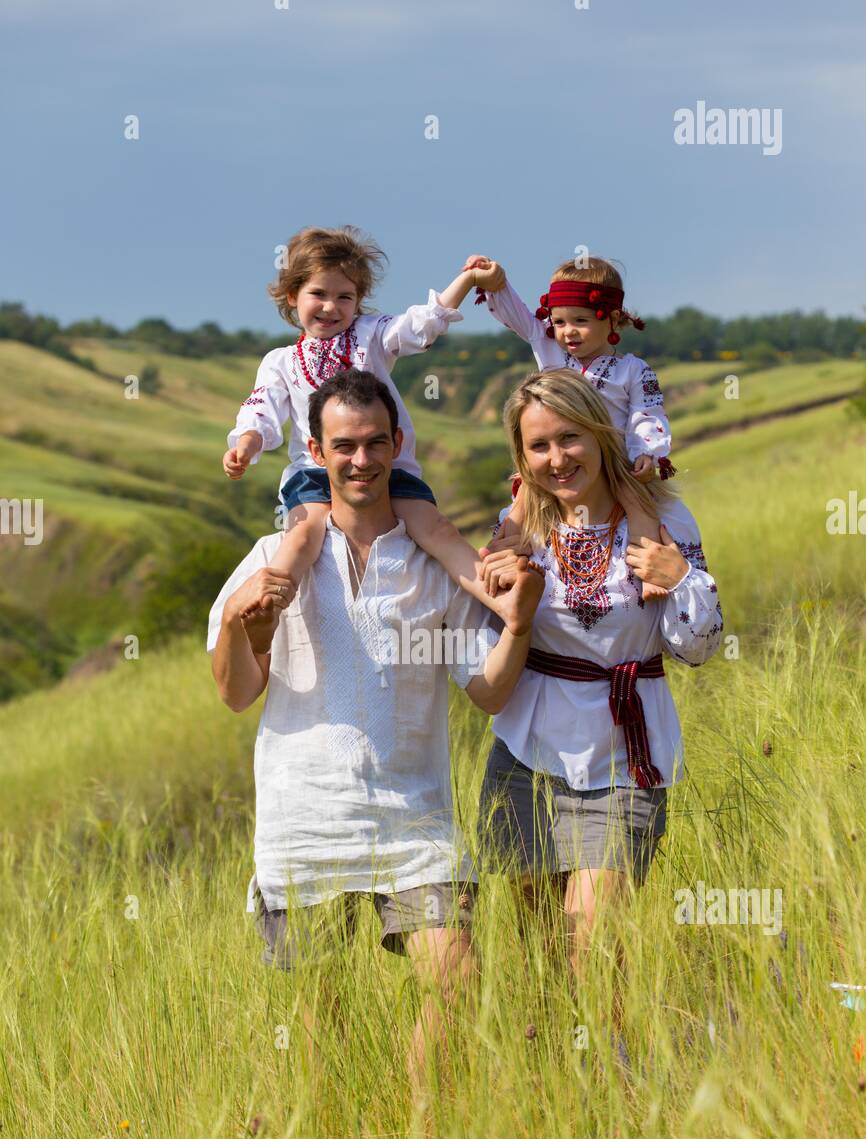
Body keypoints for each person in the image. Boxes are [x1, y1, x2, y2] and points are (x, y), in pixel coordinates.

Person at [209, 368, 544, 1093]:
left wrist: (515, 625)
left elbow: (485, 691)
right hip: (304, 824)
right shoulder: (273, 561)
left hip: (414, 821)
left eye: (373, 443)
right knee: (316, 1027)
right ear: (314, 450)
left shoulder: (430, 564)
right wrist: (245, 627)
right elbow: (237, 692)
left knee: (455, 983)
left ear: (397, 443)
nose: (360, 461)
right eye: (343, 446)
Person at [475, 369, 723, 1056]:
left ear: (600, 434)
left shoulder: (664, 521)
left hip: (625, 753)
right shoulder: (519, 529)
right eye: (539, 447)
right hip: (526, 755)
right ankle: (553, 1090)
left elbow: (698, 648)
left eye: (570, 438)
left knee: (592, 939)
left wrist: (684, 582)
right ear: (522, 459)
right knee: (539, 952)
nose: (558, 458)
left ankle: (615, 1086)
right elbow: (485, 646)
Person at [222, 224, 506, 620]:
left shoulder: (370, 336)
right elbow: (261, 408)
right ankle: (270, 605)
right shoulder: (281, 361)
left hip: (387, 466)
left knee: (436, 528)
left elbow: (420, 327)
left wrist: (467, 279)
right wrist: (248, 442)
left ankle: (500, 602)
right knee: (304, 533)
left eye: (345, 297)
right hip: (316, 474)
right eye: (318, 294)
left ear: (359, 302)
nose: (330, 307)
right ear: (292, 296)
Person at [466, 251, 674, 599]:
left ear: (612, 320)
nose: (567, 332)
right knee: (522, 505)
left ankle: (647, 573)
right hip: (561, 459)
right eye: (559, 322)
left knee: (640, 508)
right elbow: (519, 316)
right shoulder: (547, 345)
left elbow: (647, 413)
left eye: (580, 320)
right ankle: (501, 555)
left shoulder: (632, 370)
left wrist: (647, 453)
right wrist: (497, 284)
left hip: (616, 465)